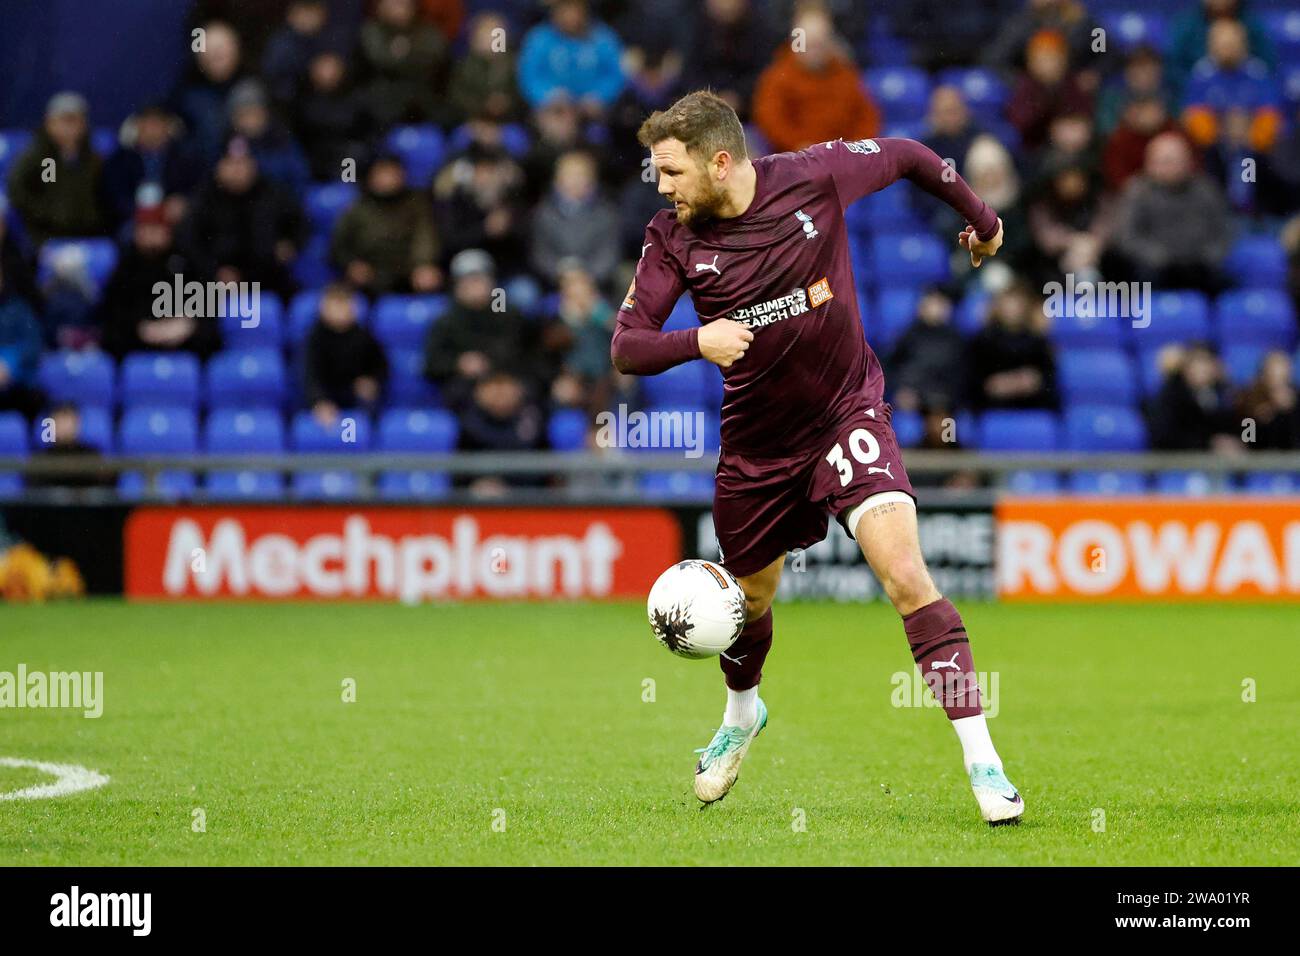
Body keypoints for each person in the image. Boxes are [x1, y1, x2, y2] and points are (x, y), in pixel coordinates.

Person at [613, 90, 1022, 823]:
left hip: (846, 414)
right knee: (751, 604)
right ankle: (742, 716)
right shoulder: (671, 237)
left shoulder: (813, 175)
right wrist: (694, 343)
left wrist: (983, 221)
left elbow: (908, 156)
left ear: (719, 160)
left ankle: (982, 758)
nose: (663, 188)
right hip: (757, 446)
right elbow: (628, 345)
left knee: (904, 577)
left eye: (672, 172)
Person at [751, 5, 880, 155]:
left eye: (820, 43)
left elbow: (867, 117)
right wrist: (799, 145)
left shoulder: (846, 74)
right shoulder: (778, 76)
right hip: (795, 160)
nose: (814, 50)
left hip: (844, 160)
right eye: (808, 43)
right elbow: (770, 120)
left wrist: (854, 148)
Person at [6, 92, 108, 247]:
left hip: (88, 235)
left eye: (75, 121)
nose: (70, 128)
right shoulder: (45, 158)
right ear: (49, 123)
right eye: (64, 121)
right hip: (48, 236)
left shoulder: (92, 158)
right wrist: (42, 215)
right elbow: (20, 190)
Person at [330, 154, 440, 295]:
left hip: (408, 274)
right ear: (371, 176)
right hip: (370, 275)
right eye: (382, 173)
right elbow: (339, 245)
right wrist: (351, 264)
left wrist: (424, 264)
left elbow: (425, 236)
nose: (388, 179)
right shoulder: (357, 208)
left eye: (392, 173)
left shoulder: (417, 203)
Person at [304, 283, 388, 425]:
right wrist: (320, 401)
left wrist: (372, 381)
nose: (340, 311)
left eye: (343, 305)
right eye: (335, 306)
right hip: (326, 394)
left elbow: (380, 365)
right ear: (324, 308)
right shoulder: (315, 338)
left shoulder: (363, 336)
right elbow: (310, 375)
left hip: (355, 396)